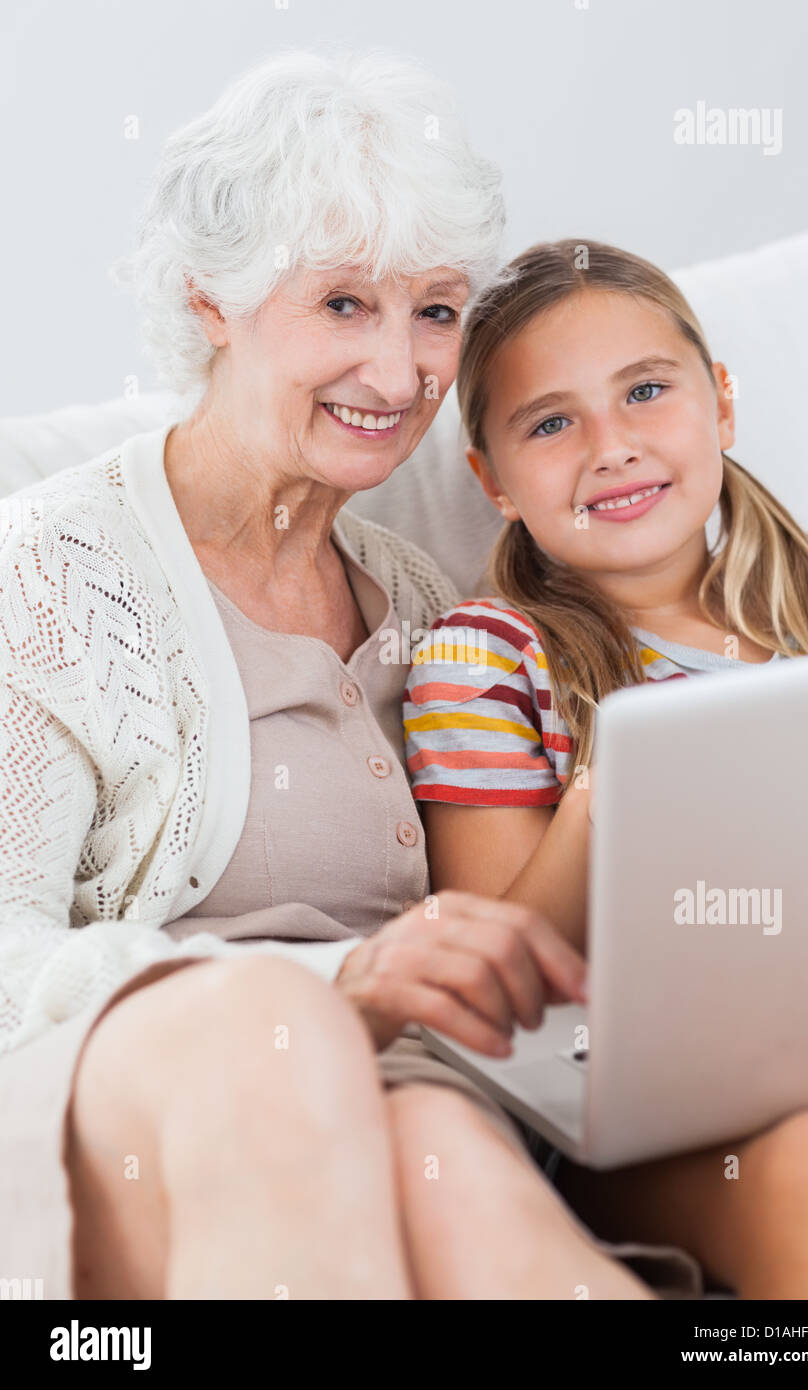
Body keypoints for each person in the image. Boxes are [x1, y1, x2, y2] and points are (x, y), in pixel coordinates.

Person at [0, 58, 663, 1301]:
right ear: (210, 299)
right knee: (286, 1039)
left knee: (450, 1163)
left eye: (433, 311)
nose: (404, 370)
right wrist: (328, 984)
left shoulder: (415, 594)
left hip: (381, 1082)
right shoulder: (42, 569)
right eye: (344, 306)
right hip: (129, 1086)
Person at [403, 236, 808, 1299]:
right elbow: (494, 977)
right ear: (493, 480)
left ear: (721, 408)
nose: (609, 447)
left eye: (645, 391)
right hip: (646, 1119)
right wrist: (605, 802)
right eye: (552, 422)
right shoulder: (485, 655)